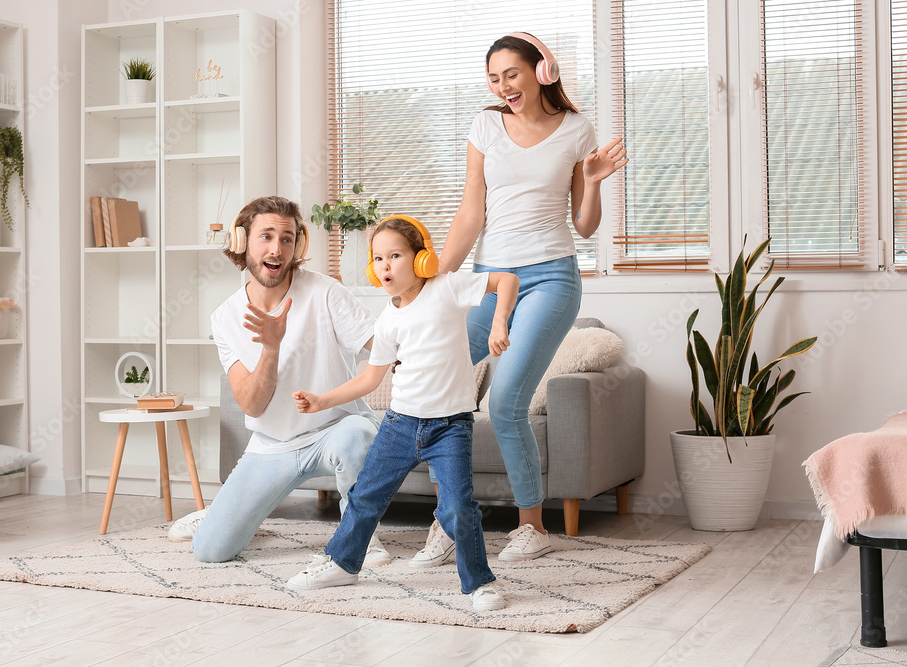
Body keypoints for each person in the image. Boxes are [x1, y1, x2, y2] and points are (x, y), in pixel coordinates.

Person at [414, 32, 629, 566]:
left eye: (511, 74)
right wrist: (437, 280)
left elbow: (584, 226)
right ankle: (448, 521)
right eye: (493, 78)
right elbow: (471, 212)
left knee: (505, 402)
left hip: (551, 278)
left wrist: (594, 182)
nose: (503, 86)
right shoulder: (486, 126)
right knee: (437, 384)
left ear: (542, 71)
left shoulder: (576, 129)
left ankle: (532, 527)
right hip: (488, 279)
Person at [286, 215, 519, 611]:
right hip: (400, 425)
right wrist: (322, 400)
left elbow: (507, 280)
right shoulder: (387, 320)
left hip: (450, 427)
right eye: (378, 259)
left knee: (457, 508)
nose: (385, 266)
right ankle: (342, 564)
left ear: (421, 258)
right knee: (364, 496)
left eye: (395, 256)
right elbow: (370, 378)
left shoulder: (446, 287)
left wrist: (499, 323)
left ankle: (479, 583)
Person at [167, 195, 389, 566]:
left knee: (359, 434)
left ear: (298, 245)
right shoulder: (225, 318)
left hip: (336, 430)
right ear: (242, 241)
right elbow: (252, 405)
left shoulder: (325, 292)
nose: (277, 249)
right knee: (210, 550)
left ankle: (361, 537)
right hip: (273, 445)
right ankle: (219, 515)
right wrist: (271, 347)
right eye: (266, 236)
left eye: (287, 238)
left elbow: (385, 346)